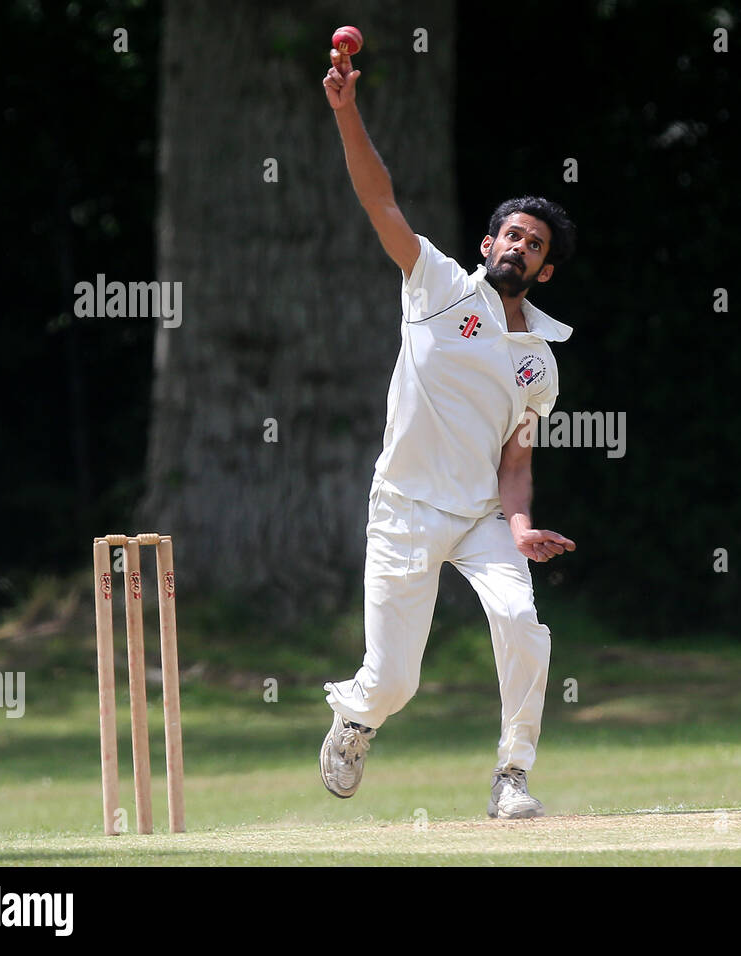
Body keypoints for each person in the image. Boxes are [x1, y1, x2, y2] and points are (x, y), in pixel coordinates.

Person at [317, 46, 577, 818]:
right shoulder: (435, 284)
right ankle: (356, 718)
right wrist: (344, 110)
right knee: (395, 680)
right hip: (402, 506)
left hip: (481, 517)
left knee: (523, 624)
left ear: (545, 269)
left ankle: (512, 777)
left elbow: (516, 460)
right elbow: (380, 201)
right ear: (488, 243)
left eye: (536, 245)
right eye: (512, 235)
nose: (521, 248)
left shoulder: (540, 365)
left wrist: (522, 526)